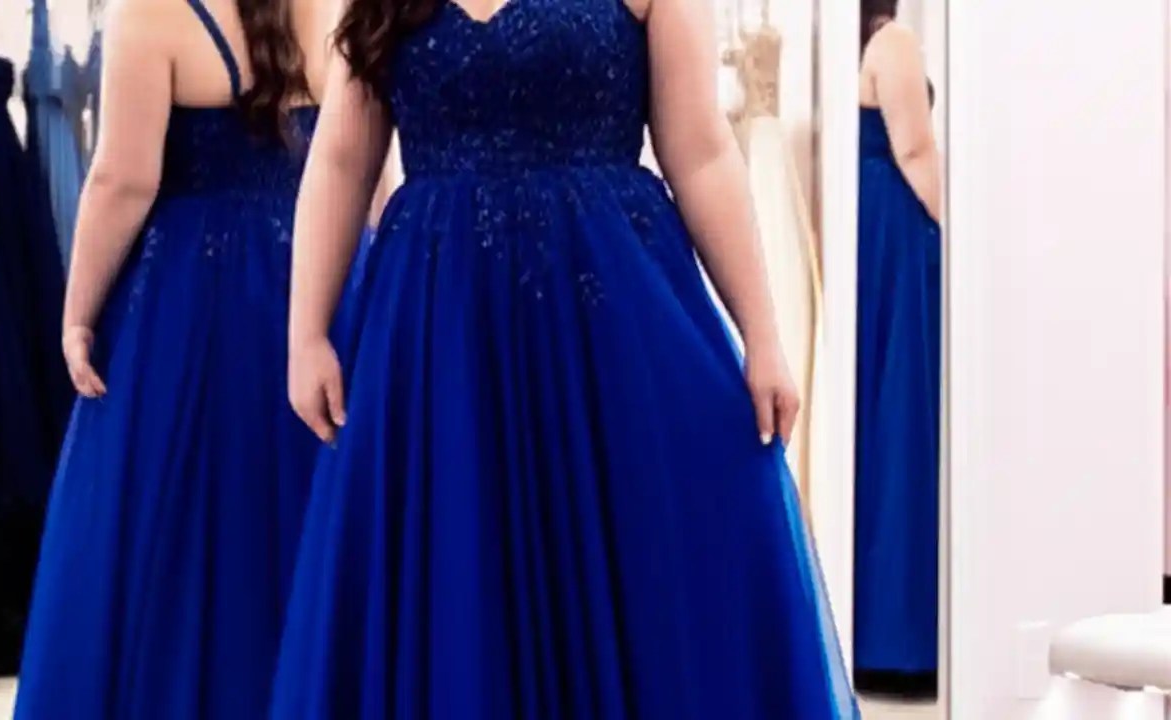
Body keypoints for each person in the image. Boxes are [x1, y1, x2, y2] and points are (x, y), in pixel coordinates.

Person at [270, 0, 859, 716]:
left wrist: (762, 332)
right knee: (461, 571)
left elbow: (701, 152)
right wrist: (306, 332)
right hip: (437, 342)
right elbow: (339, 159)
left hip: (609, 331)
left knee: (634, 573)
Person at [13, 0, 336, 715]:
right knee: (306, 518)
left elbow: (122, 181)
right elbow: (357, 165)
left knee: (178, 530)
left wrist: (76, 315)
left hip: (193, 303)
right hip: (316, 284)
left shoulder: (152, 11)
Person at [854, 0, 944, 698]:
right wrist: (961, 230)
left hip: (874, 235)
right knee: (903, 425)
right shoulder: (898, 40)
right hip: (900, 237)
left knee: (882, 426)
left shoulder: (866, 50)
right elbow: (915, 149)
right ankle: (901, 639)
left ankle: (879, 629)